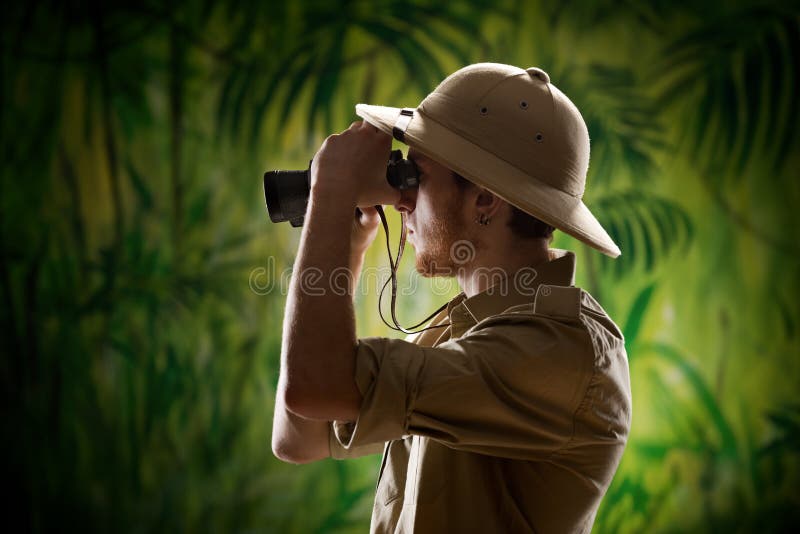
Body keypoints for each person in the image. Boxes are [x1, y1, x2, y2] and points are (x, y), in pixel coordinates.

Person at [271, 63, 631, 533]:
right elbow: (300, 436)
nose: (402, 200)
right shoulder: (457, 334)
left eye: (416, 174)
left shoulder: (558, 350)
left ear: (484, 200)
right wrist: (346, 238)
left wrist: (333, 190)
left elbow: (315, 387)